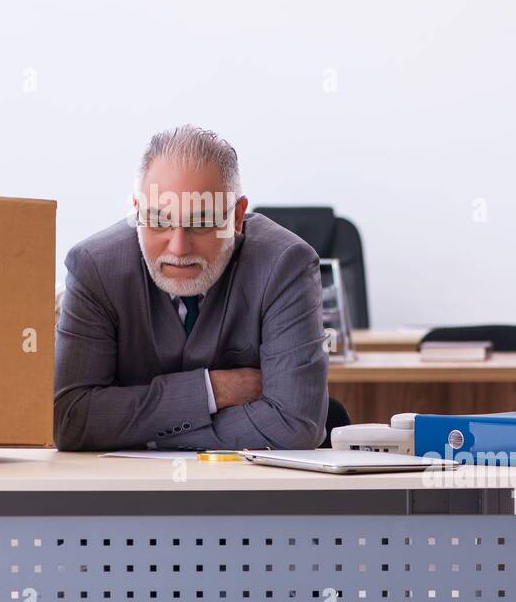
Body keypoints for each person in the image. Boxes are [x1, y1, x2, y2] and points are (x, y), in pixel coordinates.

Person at [54, 124, 328, 450]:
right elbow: (71, 420)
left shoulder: (284, 264)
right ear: (137, 211)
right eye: (159, 221)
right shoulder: (95, 267)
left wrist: (143, 434)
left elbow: (294, 425)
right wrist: (213, 390)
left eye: (201, 223)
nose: (179, 248)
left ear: (237, 217)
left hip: (248, 492)